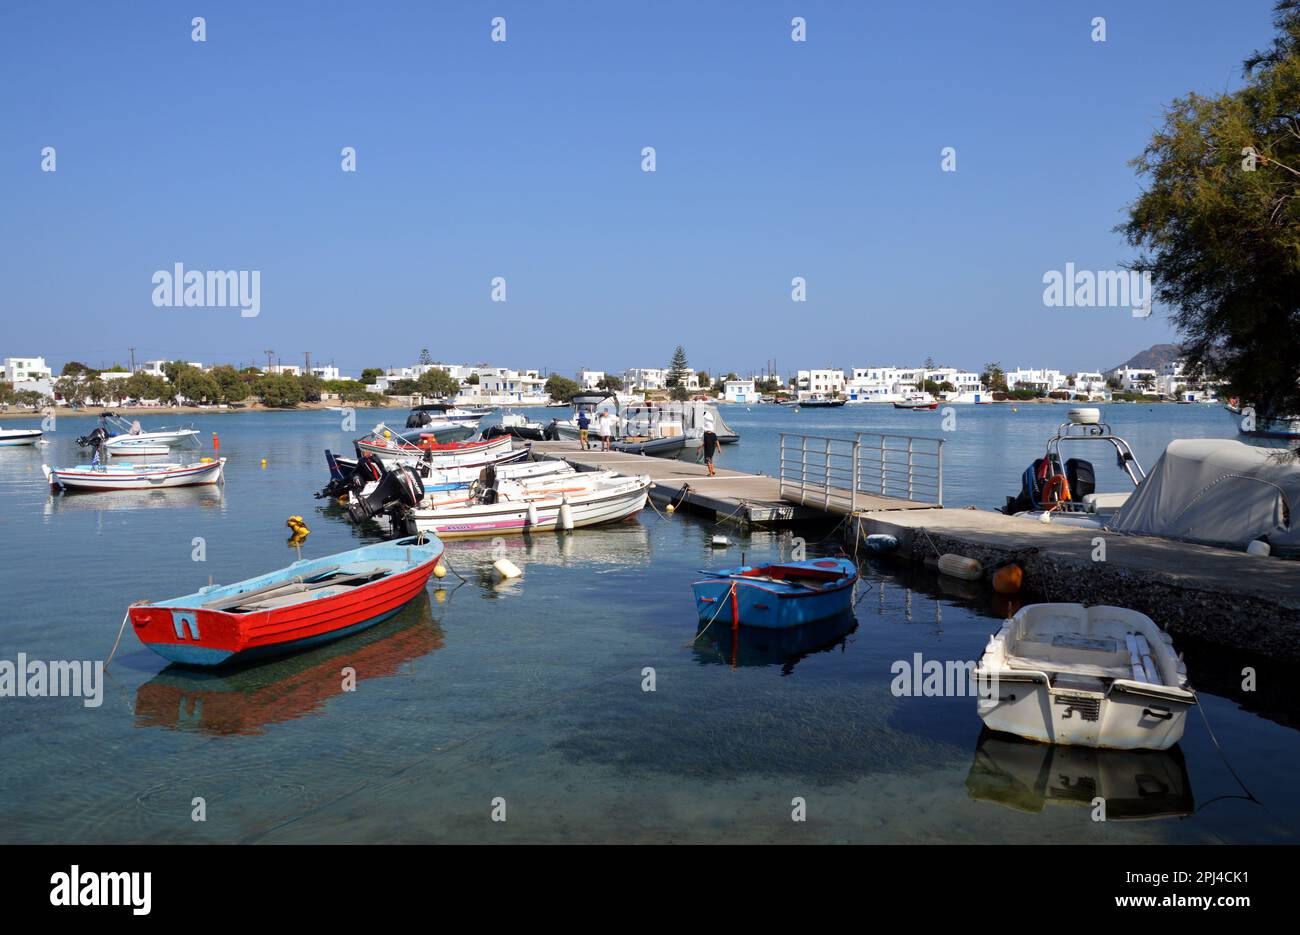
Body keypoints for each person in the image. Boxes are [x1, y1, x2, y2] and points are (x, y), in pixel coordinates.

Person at [701, 407, 718, 476]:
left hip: (707, 449)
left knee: (708, 461)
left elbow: (704, 443)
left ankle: (711, 473)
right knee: (710, 460)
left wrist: (699, 448)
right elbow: (717, 442)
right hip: (712, 449)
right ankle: (712, 471)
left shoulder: (705, 434)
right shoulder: (713, 434)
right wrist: (719, 449)